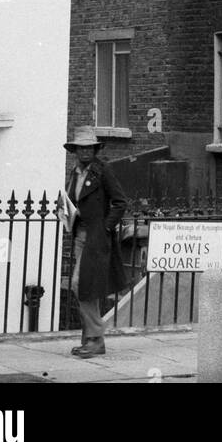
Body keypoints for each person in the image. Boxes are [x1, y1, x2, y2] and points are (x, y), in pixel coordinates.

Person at [63, 125, 128, 358]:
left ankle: (95, 337)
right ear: (75, 151)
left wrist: (106, 227)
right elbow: (73, 202)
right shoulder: (75, 173)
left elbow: (120, 202)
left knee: (80, 284)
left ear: (95, 149)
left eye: (89, 148)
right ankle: (90, 337)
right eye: (81, 148)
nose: (85, 152)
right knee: (86, 286)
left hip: (95, 237)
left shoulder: (103, 171)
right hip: (80, 235)